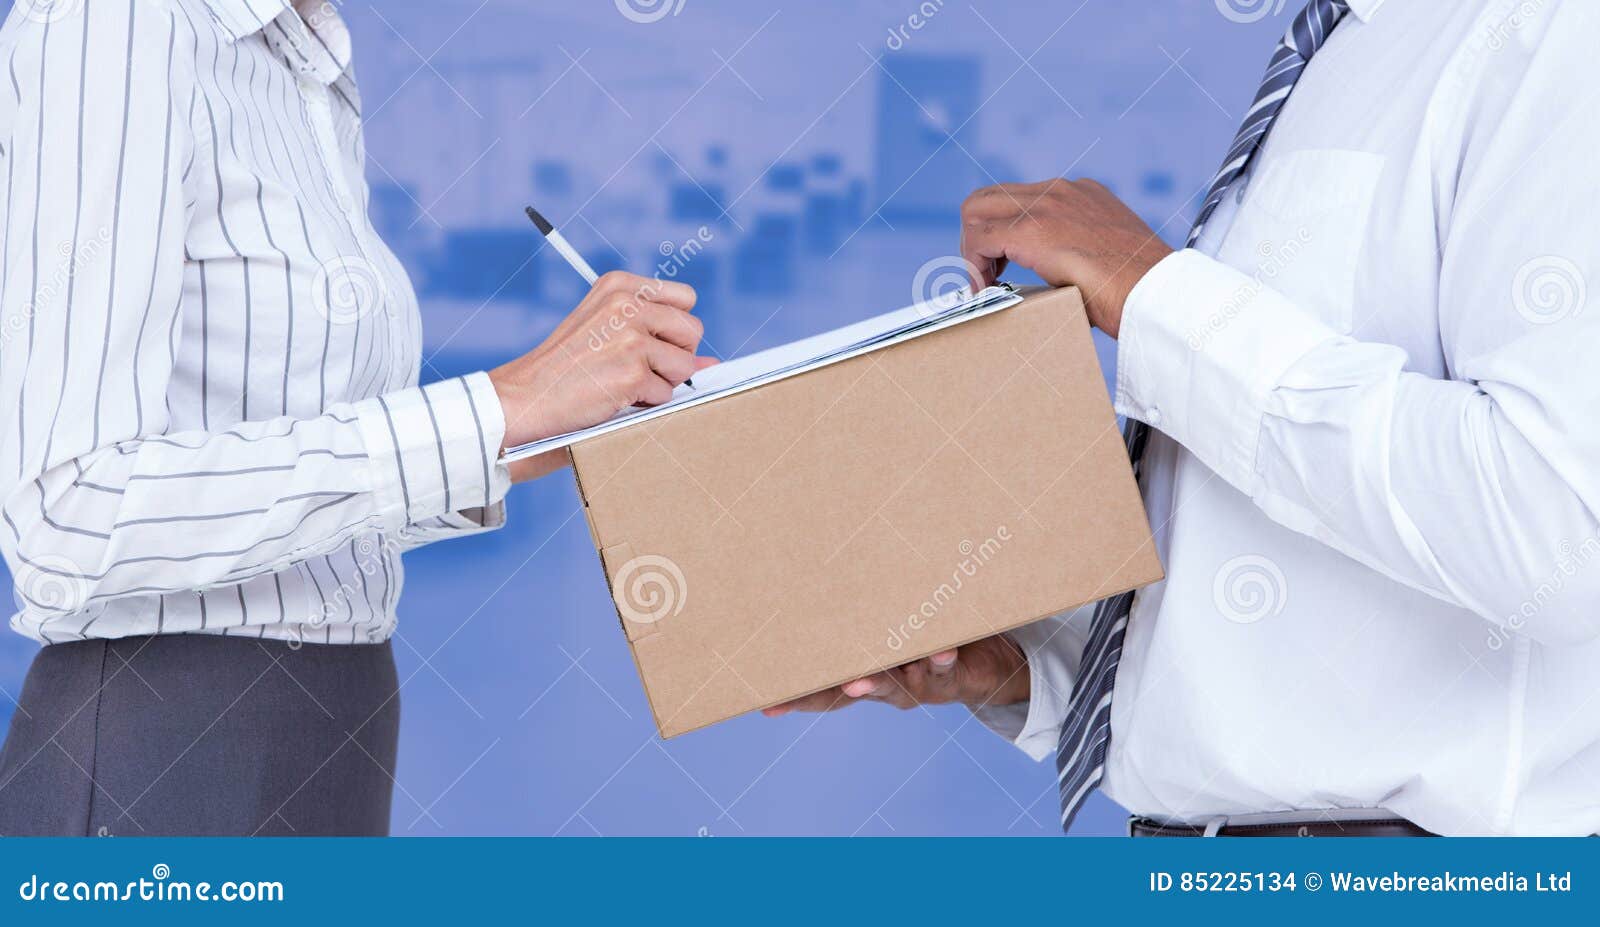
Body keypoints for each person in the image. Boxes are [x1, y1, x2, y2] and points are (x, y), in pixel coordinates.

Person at [770, 0, 1600, 837]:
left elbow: (1563, 531)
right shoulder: (1345, 48)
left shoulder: (1556, 31)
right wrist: (1033, 666)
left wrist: (1157, 295)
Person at [0, 0, 712, 835]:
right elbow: (66, 510)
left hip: (344, 724)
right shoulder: (111, 26)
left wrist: (531, 428)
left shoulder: (304, 67)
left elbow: (295, 486)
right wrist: (499, 406)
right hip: (169, 746)